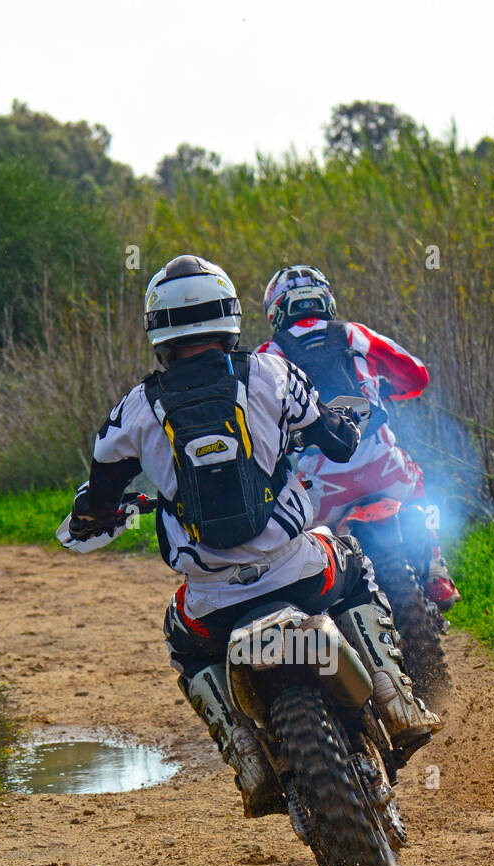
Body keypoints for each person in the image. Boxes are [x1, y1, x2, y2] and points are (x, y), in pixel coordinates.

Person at [65, 254, 441, 817]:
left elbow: (96, 498)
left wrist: (97, 516)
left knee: (182, 642)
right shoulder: (272, 374)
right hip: (300, 571)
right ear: (230, 316)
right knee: (358, 565)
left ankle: (246, 754)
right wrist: (343, 424)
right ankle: (395, 698)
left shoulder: (133, 412)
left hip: (213, 602)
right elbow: (334, 441)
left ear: (158, 331)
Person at [257, 264, 460, 609]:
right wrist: (385, 392)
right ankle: (436, 571)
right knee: (420, 487)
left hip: (322, 486)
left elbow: (259, 420)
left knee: (308, 547)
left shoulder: (269, 356)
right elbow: (417, 375)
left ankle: (327, 612)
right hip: (383, 466)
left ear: (276, 310)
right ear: (326, 299)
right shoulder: (354, 334)